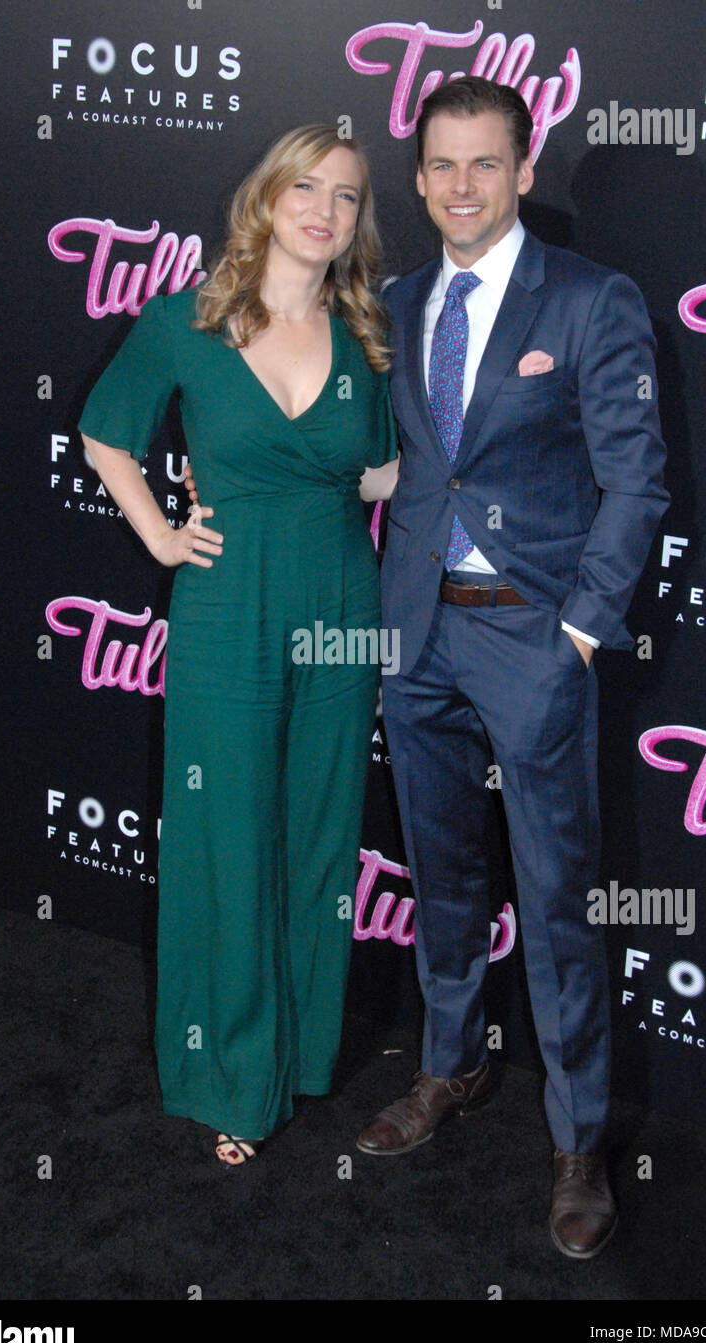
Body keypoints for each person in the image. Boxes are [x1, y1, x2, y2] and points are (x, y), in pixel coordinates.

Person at [353, 77, 669, 1259]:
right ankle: (449, 1066)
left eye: (484, 163)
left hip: (532, 638)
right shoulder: (395, 300)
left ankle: (578, 1137)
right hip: (414, 632)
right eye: (439, 166)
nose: (460, 187)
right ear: (419, 175)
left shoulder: (590, 299)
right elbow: (402, 467)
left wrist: (581, 627)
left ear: (524, 170)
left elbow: (636, 478)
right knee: (438, 872)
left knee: (553, 898)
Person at [79, 125, 399, 1167]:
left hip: (340, 604)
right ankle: (229, 1070)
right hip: (224, 607)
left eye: (346, 196)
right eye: (304, 186)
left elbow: (383, 476)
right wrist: (161, 532)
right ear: (265, 198)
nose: (323, 208)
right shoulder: (187, 322)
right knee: (228, 839)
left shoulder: (367, 335)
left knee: (316, 835)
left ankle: (299, 1054)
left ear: (359, 222)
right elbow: (104, 432)